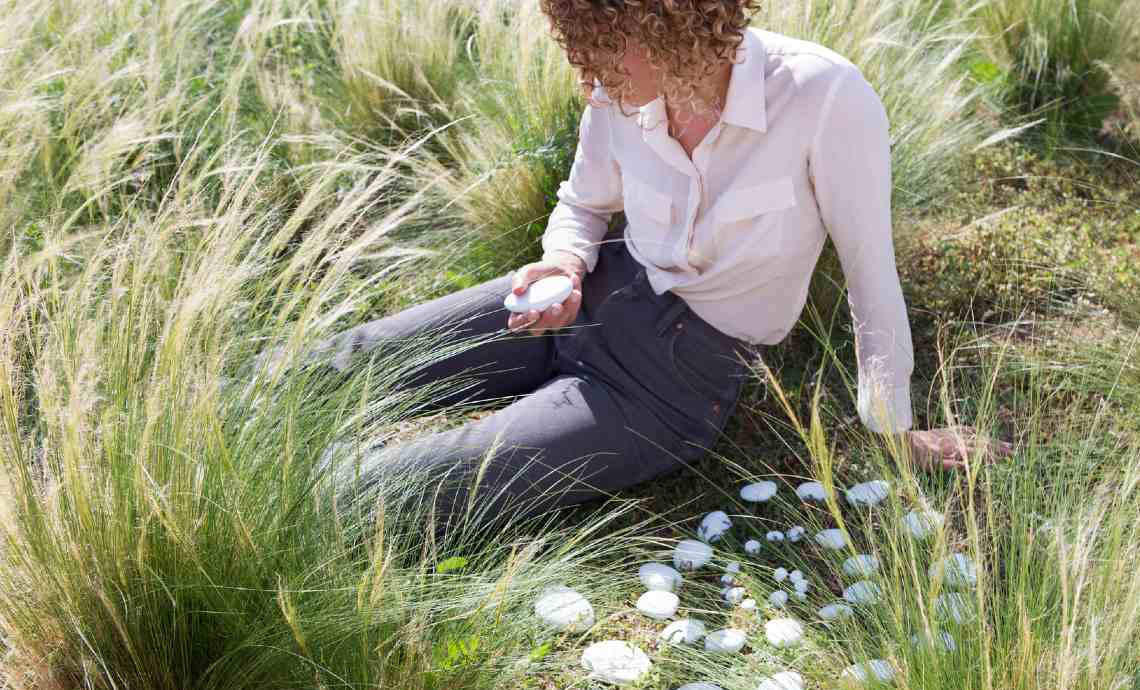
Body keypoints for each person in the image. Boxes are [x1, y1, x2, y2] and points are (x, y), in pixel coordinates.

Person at [288, 1, 1011, 540]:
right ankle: (224, 432)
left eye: (611, 48)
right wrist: (565, 268)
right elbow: (583, 201)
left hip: (671, 384)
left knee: (426, 480)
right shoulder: (617, 87)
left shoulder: (825, 98)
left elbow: (869, 279)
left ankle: (272, 517)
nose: (591, 72)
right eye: (583, 46)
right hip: (595, 295)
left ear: (679, 22)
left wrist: (894, 430)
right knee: (357, 357)